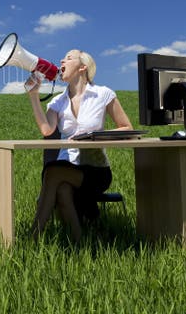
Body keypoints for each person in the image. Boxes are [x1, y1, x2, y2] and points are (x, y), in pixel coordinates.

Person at [28, 49, 133, 244]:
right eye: (62, 58)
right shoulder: (57, 102)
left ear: (83, 67)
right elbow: (47, 130)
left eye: (68, 58)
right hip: (67, 166)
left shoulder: (103, 94)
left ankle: (34, 237)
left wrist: (93, 138)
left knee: (52, 173)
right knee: (62, 190)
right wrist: (34, 95)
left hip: (95, 170)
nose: (62, 61)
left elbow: (126, 128)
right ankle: (79, 243)